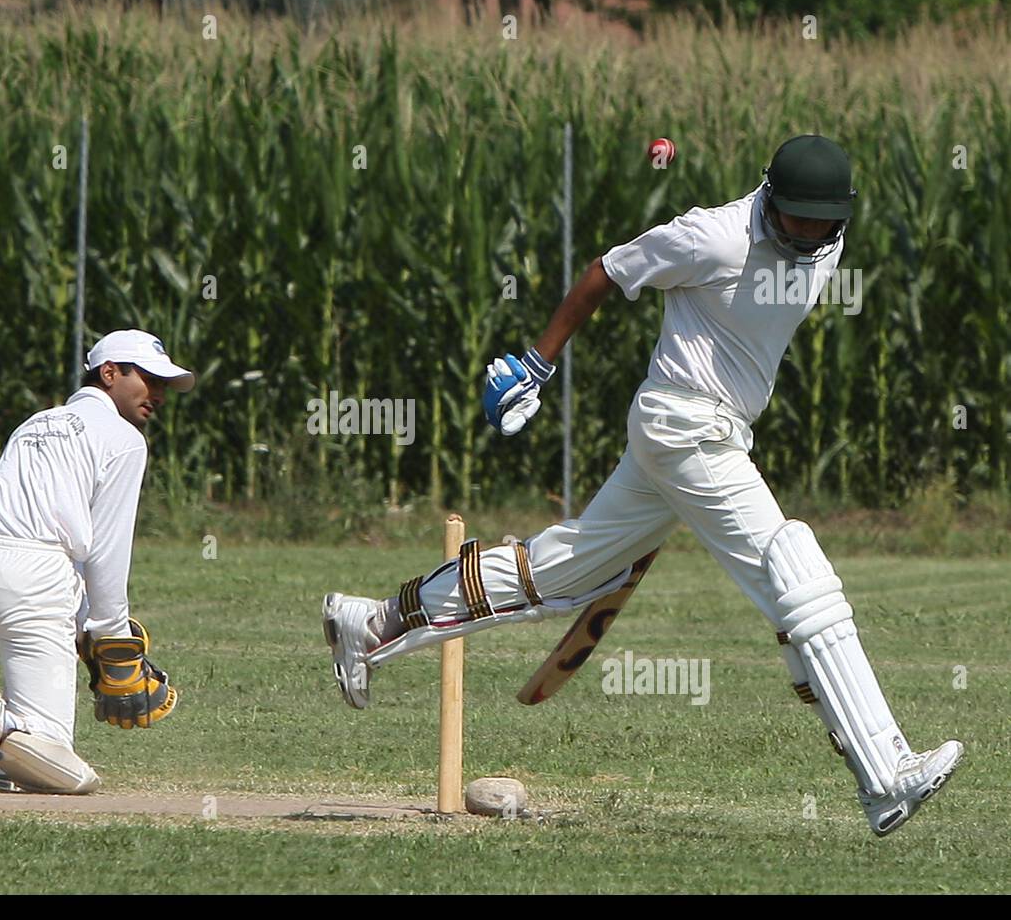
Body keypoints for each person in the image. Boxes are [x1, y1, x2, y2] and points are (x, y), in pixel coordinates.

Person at [322, 135, 963, 836]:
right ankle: (884, 772)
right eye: (796, 218)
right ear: (770, 198)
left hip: (697, 436)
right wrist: (538, 364)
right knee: (797, 569)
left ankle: (372, 623)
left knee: (559, 572)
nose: (808, 234)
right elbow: (607, 271)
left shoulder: (827, 242)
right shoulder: (711, 236)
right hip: (687, 428)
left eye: (821, 222)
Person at [0, 329, 190, 794]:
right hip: (32, 578)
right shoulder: (125, 439)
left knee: (41, 739)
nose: (157, 394)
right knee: (67, 772)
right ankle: (3, 721)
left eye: (164, 385)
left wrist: (83, 627)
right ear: (109, 373)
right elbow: (106, 550)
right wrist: (113, 637)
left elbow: (53, 529)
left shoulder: (39, 420)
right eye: (149, 379)